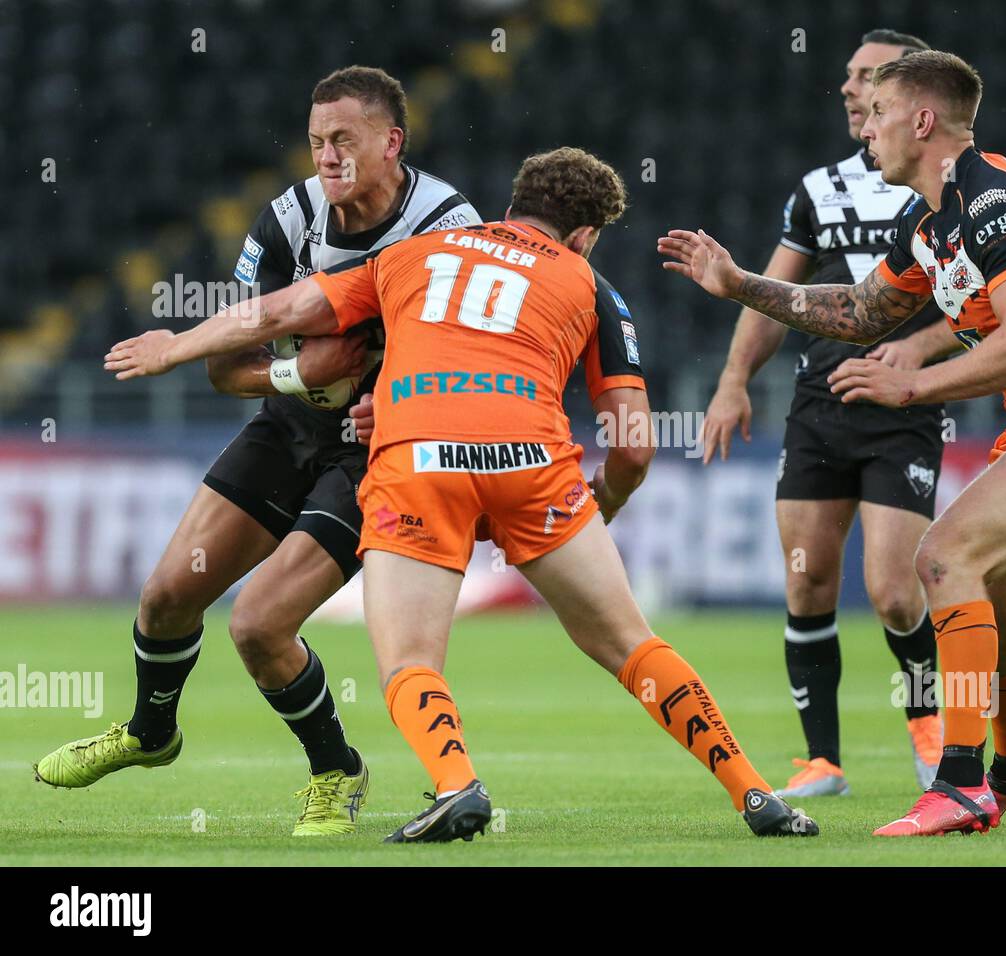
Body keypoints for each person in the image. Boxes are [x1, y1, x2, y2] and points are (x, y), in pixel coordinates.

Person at [103, 147, 819, 843]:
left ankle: (457, 786)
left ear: (508, 209)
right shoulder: (592, 287)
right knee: (630, 644)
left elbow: (273, 315)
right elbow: (633, 442)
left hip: (418, 459)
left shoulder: (411, 255)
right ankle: (754, 791)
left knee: (411, 659)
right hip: (531, 462)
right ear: (585, 236)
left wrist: (175, 346)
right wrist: (604, 499)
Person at [659, 50, 1006, 836]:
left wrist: (914, 385)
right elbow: (859, 313)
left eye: (882, 113)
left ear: (923, 120)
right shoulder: (930, 222)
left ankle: (960, 785)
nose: (869, 128)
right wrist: (741, 284)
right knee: (1002, 628)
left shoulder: (995, 201)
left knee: (939, 559)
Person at [35, 66, 480, 837]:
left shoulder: (447, 227)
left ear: (392, 142)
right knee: (167, 597)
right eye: (316, 143)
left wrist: (406, 403)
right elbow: (225, 366)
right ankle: (149, 733)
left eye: (344, 141)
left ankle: (336, 770)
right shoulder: (290, 217)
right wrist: (300, 372)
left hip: (377, 454)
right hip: (292, 423)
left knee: (259, 625)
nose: (327, 159)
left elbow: (478, 361)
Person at [700, 28, 949, 797]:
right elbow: (774, 294)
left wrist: (924, 350)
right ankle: (823, 762)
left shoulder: (942, 186)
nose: (849, 89)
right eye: (846, 77)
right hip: (820, 404)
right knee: (806, 582)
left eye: (868, 77)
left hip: (902, 406)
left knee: (895, 591)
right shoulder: (820, 190)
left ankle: (930, 730)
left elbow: (982, 298)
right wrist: (735, 377)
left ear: (912, 101)